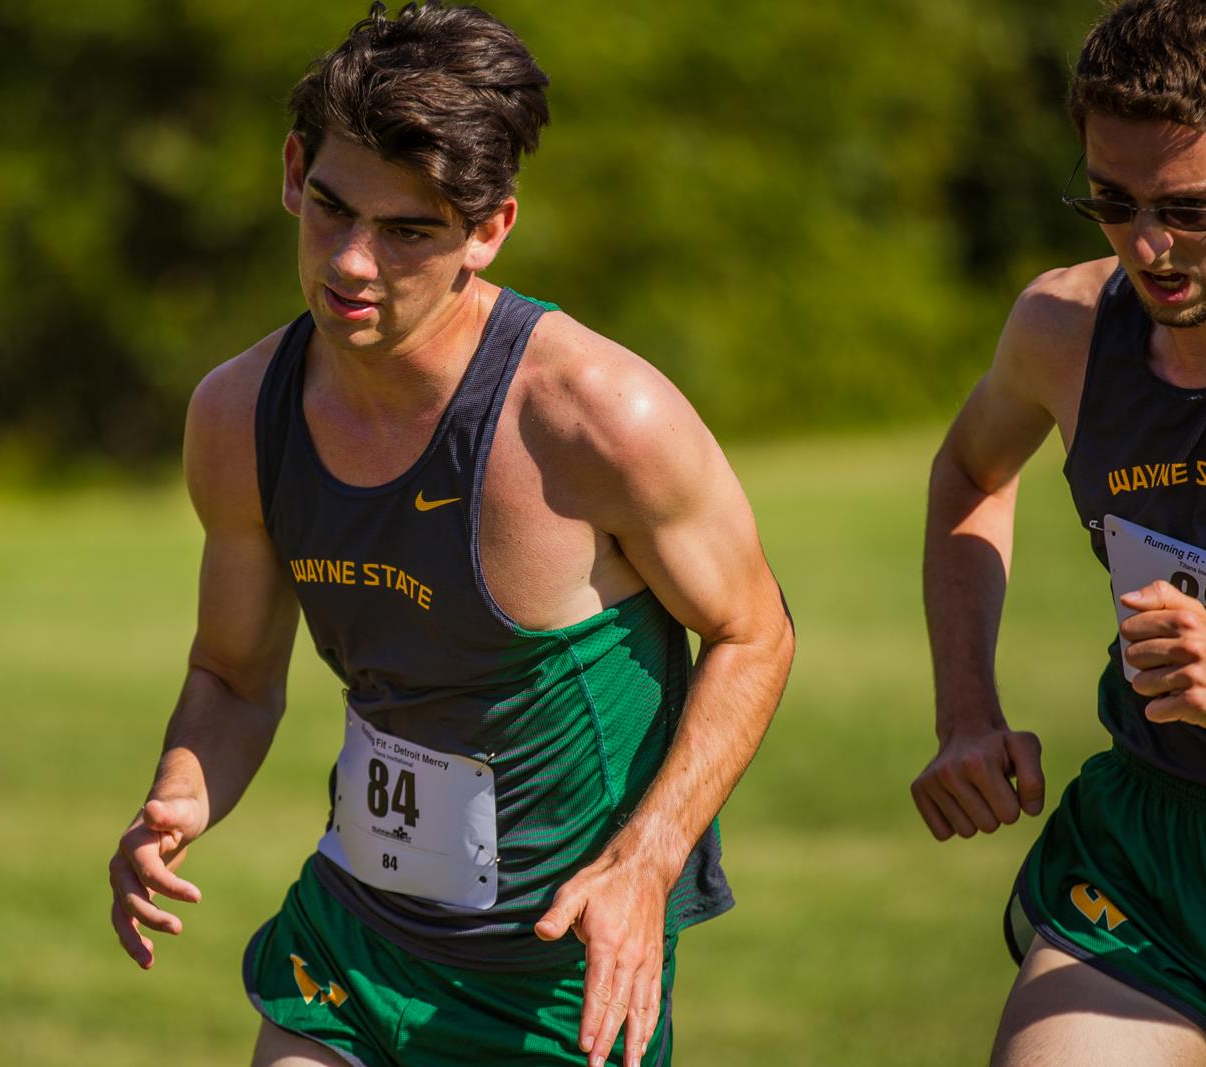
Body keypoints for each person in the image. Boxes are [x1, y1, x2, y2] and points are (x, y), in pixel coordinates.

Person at [107, 4, 793, 1065]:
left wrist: (648, 860)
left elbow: (754, 631)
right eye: (331, 208)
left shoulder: (596, 417)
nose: (352, 263)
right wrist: (179, 793)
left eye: (408, 232)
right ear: (292, 171)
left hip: (560, 978)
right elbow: (234, 677)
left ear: (489, 229)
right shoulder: (240, 414)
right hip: (351, 941)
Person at [911, 1, 1206, 1063]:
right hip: (1151, 858)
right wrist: (966, 710)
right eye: (1110, 202)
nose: (1147, 245)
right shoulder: (1067, 327)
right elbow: (969, 471)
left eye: (1189, 209)